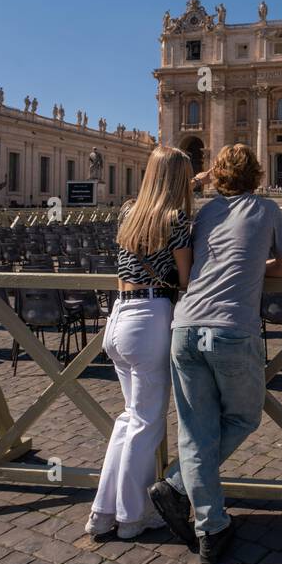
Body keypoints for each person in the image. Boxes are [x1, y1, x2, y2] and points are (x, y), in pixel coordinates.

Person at [149, 144, 282, 564]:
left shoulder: (202, 213)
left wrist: (198, 179)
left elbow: (193, 258)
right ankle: (177, 486)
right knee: (244, 417)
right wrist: (253, 266)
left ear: (218, 176)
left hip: (185, 326)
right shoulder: (267, 209)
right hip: (231, 330)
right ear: (257, 174)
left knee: (196, 430)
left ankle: (211, 527)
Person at [85, 146, 197, 540]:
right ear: (179, 180)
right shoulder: (177, 220)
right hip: (151, 319)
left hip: (118, 317)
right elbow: (184, 281)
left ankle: (102, 512)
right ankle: (132, 517)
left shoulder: (128, 212)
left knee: (128, 418)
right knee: (146, 422)